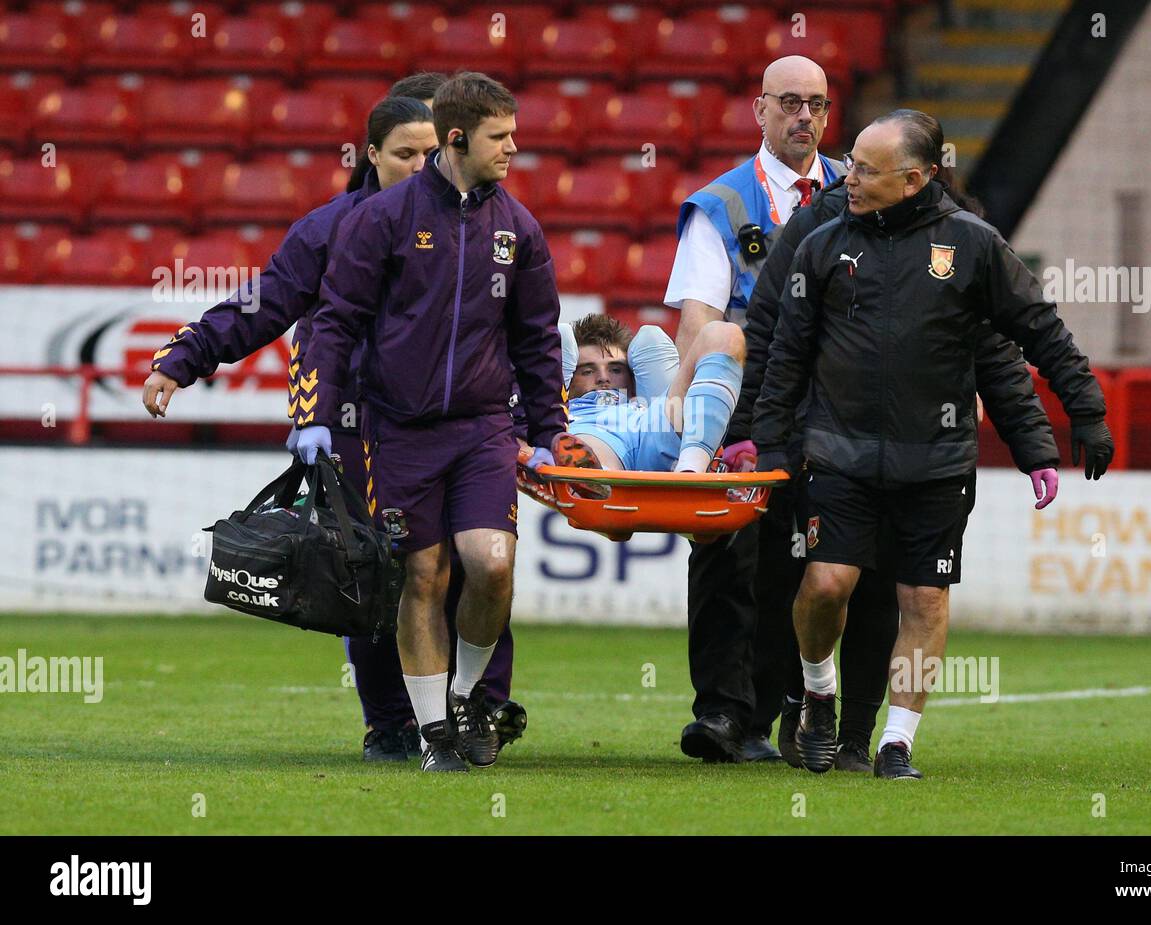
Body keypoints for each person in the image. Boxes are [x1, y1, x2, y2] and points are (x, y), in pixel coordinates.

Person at [140, 75, 525, 763]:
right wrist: (184, 357)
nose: (419, 165)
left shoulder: (479, 222)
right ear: (370, 155)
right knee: (375, 576)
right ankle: (389, 722)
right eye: (404, 153)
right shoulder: (331, 228)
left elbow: (504, 331)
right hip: (351, 424)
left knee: (474, 566)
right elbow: (260, 307)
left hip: (448, 425)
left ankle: (480, 706)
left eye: (429, 152)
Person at [753, 109, 1113, 777]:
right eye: (852, 162)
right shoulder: (822, 246)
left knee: (923, 600)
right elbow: (785, 359)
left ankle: (898, 741)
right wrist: (772, 448)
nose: (847, 177)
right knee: (827, 583)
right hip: (839, 455)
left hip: (938, 463)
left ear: (914, 179)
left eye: (864, 168)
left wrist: (1084, 414)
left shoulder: (974, 247)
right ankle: (817, 689)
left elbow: (1037, 333)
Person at [295, 72, 564, 773]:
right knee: (423, 574)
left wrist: (550, 430)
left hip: (481, 429)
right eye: (499, 136)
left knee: (491, 564)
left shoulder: (519, 228)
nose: (513, 147)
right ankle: (436, 733)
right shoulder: (380, 220)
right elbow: (334, 320)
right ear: (457, 138)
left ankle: (469, 699)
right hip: (400, 430)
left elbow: (538, 339)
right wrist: (313, 415)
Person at [664, 54, 847, 763]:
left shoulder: (854, 191)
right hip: (739, 401)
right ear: (759, 110)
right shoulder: (725, 205)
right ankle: (720, 712)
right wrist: (691, 410)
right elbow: (700, 321)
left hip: (831, 407)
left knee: (799, 563)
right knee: (723, 554)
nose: (805, 116)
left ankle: (771, 713)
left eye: (818, 105)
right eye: (790, 102)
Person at [551, 315, 743, 475]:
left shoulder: (650, 406)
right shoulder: (561, 416)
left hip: (650, 425)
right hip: (589, 428)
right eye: (587, 371)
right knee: (579, 445)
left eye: (616, 370)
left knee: (724, 334)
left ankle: (691, 469)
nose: (603, 378)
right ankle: (597, 476)